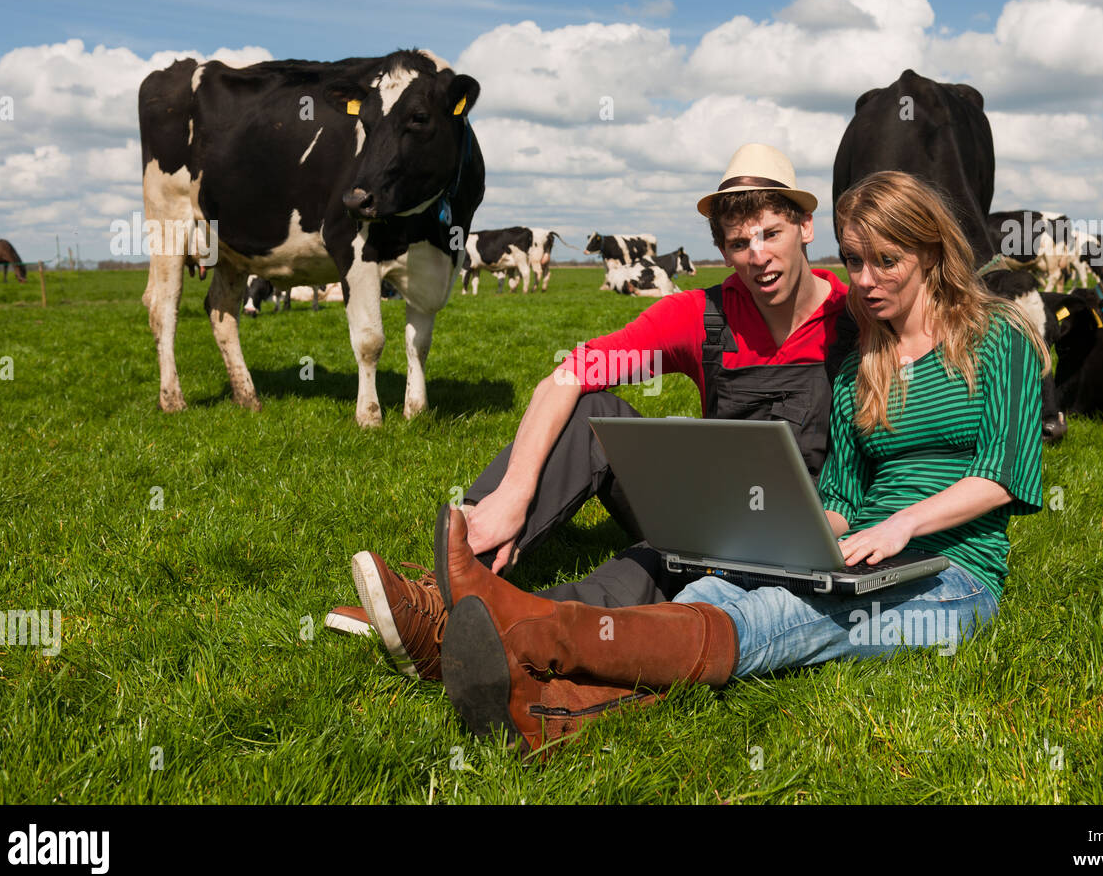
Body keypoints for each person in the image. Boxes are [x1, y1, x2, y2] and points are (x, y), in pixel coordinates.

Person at [435, 169, 1048, 756]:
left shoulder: (998, 336)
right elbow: (840, 497)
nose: (865, 280)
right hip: (861, 554)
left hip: (953, 576)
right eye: (856, 261)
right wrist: (785, 540)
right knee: (709, 589)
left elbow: (1004, 474)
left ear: (931, 252)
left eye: (887, 261)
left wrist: (901, 525)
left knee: (780, 617)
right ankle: (552, 710)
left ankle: (540, 635)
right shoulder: (865, 358)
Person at [333, 144, 856, 681]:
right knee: (591, 411)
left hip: (811, 530)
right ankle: (439, 589)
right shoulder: (704, 315)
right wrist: (514, 491)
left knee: (654, 567)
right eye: (740, 242)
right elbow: (566, 376)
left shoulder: (857, 317)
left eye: (772, 233)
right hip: (710, 509)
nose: (758, 255)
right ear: (723, 251)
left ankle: (490, 629)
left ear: (806, 228)